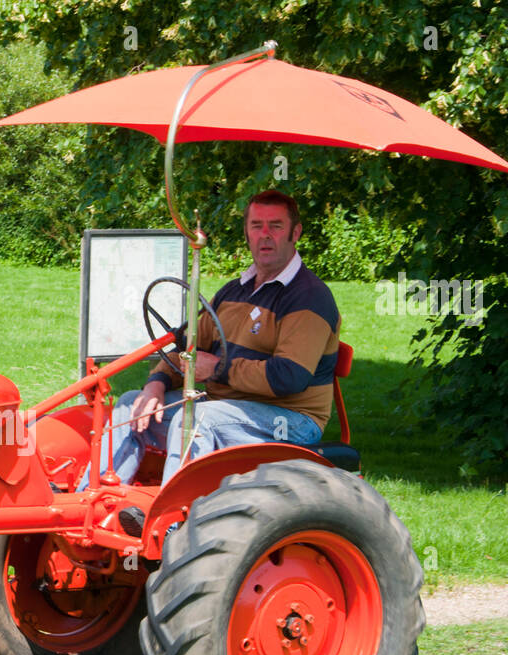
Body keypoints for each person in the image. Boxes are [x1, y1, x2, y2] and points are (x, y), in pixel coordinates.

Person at [84, 190, 340, 499]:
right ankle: (92, 503)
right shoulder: (234, 291)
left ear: (295, 232)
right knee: (130, 404)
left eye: (276, 225)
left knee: (195, 420)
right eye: (257, 225)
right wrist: (157, 383)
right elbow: (187, 347)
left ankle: (169, 525)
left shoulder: (308, 296)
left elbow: (288, 377)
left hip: (290, 419)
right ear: (246, 232)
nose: (265, 235)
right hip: (226, 406)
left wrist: (218, 369)